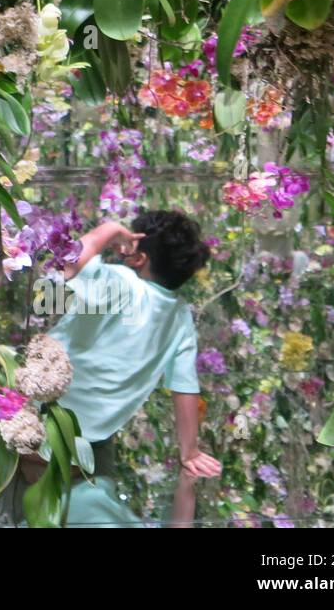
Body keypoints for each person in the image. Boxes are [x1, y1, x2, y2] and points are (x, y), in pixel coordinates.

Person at [20, 210, 221, 526]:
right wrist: (190, 452)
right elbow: (184, 389)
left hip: (36, 420)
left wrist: (111, 229)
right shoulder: (180, 317)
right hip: (88, 439)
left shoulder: (123, 283)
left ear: (138, 257)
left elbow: (71, 263)